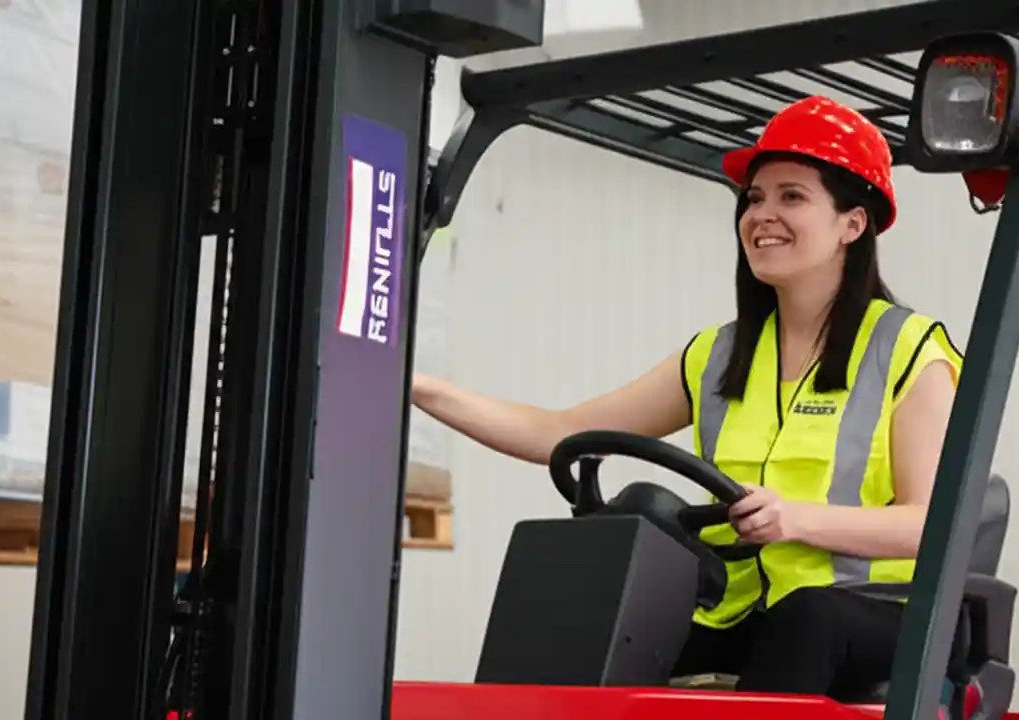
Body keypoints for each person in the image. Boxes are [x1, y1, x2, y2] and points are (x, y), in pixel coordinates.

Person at [410, 96, 963, 698]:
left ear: (851, 224)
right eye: (755, 198)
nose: (762, 215)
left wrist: (796, 519)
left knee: (809, 617)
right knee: (605, 608)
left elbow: (931, 525)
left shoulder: (908, 351)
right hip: (744, 610)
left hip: (881, 610)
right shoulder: (718, 357)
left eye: (791, 197)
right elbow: (559, 433)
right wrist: (414, 386)